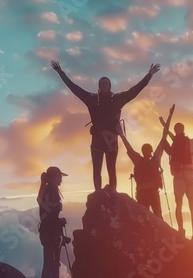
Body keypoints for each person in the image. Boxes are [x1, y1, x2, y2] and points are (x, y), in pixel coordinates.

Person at [50, 60, 161, 192]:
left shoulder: (117, 99)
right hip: (97, 139)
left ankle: (113, 192)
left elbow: (134, 91)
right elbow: (75, 88)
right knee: (97, 169)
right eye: (102, 83)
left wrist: (149, 75)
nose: (104, 84)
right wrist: (61, 73)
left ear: (110, 85)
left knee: (111, 169)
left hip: (111, 140)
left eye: (107, 83)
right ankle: (98, 193)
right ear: (99, 86)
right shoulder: (91, 99)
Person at [122, 104, 175, 219]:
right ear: (150, 151)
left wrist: (121, 135)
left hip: (142, 191)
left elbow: (129, 148)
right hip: (152, 191)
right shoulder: (155, 159)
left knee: (143, 216)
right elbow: (164, 137)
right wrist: (170, 117)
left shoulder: (138, 160)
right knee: (158, 215)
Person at [37, 166, 71, 278]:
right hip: (51, 231)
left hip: (49, 231)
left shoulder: (47, 190)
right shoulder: (51, 192)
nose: (61, 179)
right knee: (52, 260)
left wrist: (58, 222)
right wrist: (59, 222)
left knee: (51, 259)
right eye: (59, 177)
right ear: (53, 178)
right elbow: (50, 215)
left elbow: (46, 213)